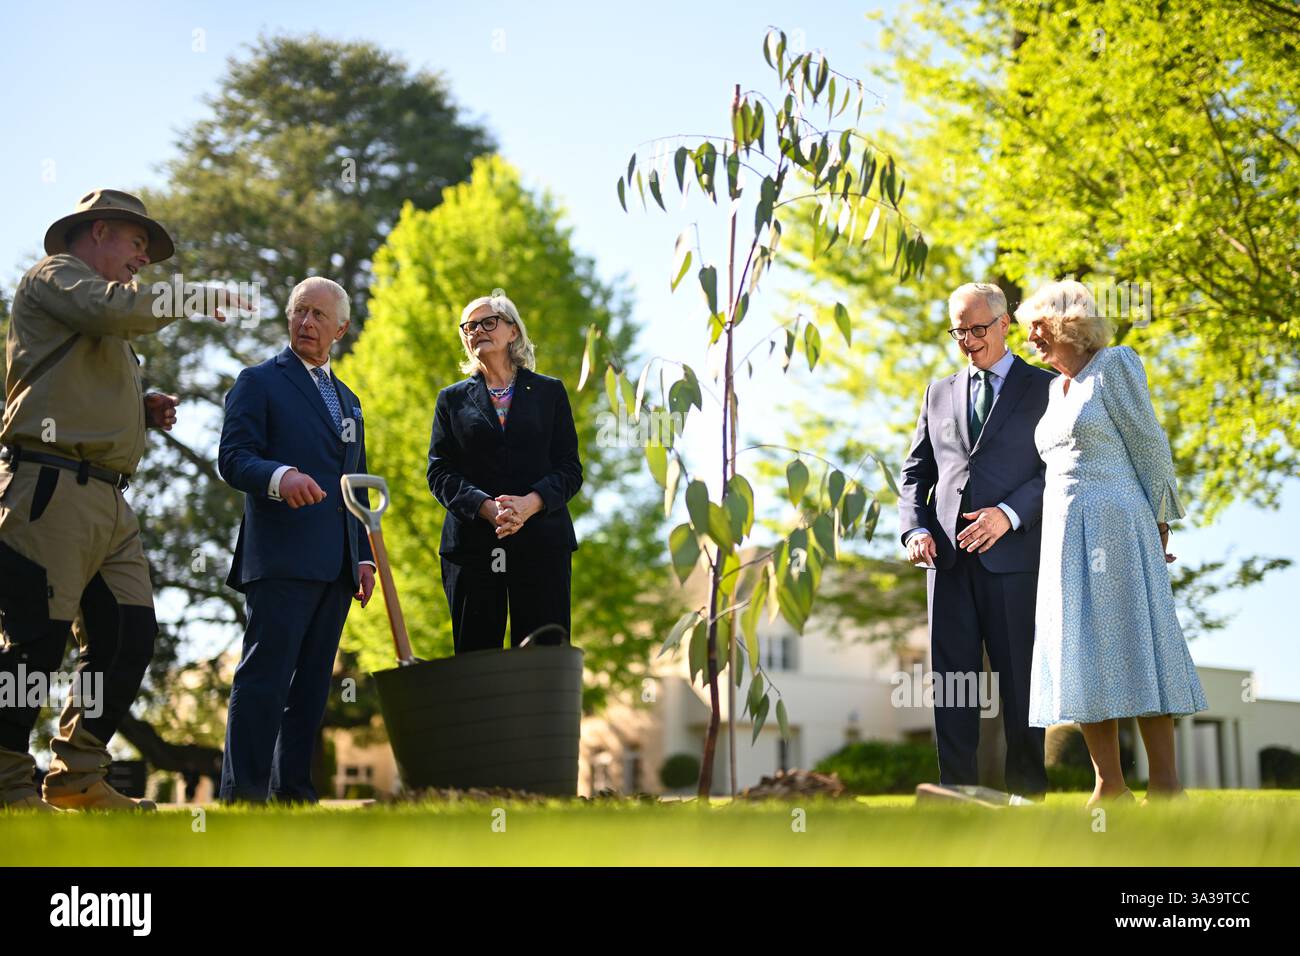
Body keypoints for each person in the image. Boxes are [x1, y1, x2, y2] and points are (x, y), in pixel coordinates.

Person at [0, 188, 232, 811]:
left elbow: (88, 366)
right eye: (138, 245)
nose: (142, 261)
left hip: (109, 501)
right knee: (35, 641)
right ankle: (5, 782)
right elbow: (113, 310)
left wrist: (140, 407)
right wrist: (194, 295)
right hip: (48, 487)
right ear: (100, 230)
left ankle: (77, 775)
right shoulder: (57, 276)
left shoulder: (101, 308)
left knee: (128, 632)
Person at [1017, 280, 1206, 808]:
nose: (1028, 336)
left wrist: (1161, 519)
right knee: (1078, 651)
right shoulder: (1054, 391)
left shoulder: (1116, 365)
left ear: (1066, 324)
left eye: (1036, 325)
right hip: (1062, 534)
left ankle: (1168, 785)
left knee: (1133, 643)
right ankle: (1110, 784)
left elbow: (1149, 444)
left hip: (1118, 526)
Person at [217, 276, 376, 803]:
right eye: (299, 312)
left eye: (319, 316)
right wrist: (280, 477)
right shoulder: (258, 382)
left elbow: (358, 484)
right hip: (281, 558)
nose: (307, 323)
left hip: (337, 567)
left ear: (342, 328)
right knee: (265, 679)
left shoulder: (351, 402)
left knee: (310, 689)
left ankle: (295, 798)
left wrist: (366, 558)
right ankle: (244, 798)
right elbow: (234, 458)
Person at [899, 282, 1056, 798]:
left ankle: (1027, 797)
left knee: (1019, 685)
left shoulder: (1046, 387)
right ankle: (954, 799)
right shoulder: (937, 392)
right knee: (952, 687)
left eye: (977, 328)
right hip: (946, 565)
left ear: (1004, 322)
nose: (967, 340)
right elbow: (916, 472)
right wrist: (915, 529)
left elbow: (1055, 468)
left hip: (1013, 561)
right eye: (958, 331)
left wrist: (1008, 515)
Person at [427, 289, 582, 653]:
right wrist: (485, 506)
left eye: (488, 322)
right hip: (473, 548)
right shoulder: (451, 399)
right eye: (469, 326)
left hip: (542, 543)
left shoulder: (549, 392)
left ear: (513, 331)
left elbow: (570, 468)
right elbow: (439, 472)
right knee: (477, 663)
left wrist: (531, 503)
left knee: (545, 659)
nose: (477, 330)